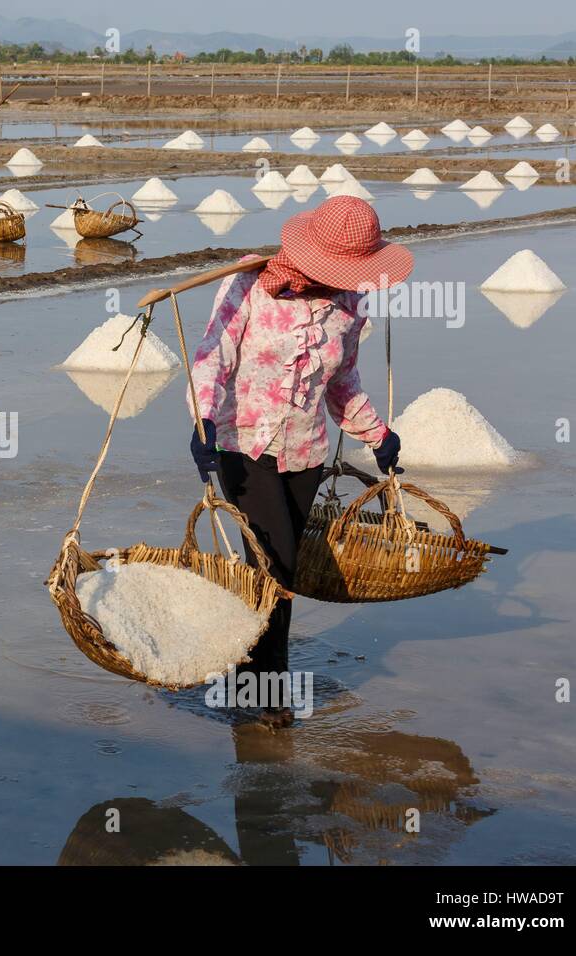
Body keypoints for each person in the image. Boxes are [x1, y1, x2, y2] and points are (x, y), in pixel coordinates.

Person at [188, 196, 409, 727]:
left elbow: (342, 381)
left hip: (305, 453)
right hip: (243, 446)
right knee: (276, 563)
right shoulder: (247, 287)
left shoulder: (351, 304)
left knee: (272, 567)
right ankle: (270, 692)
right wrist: (204, 424)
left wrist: (376, 434)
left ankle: (246, 673)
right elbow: (211, 358)